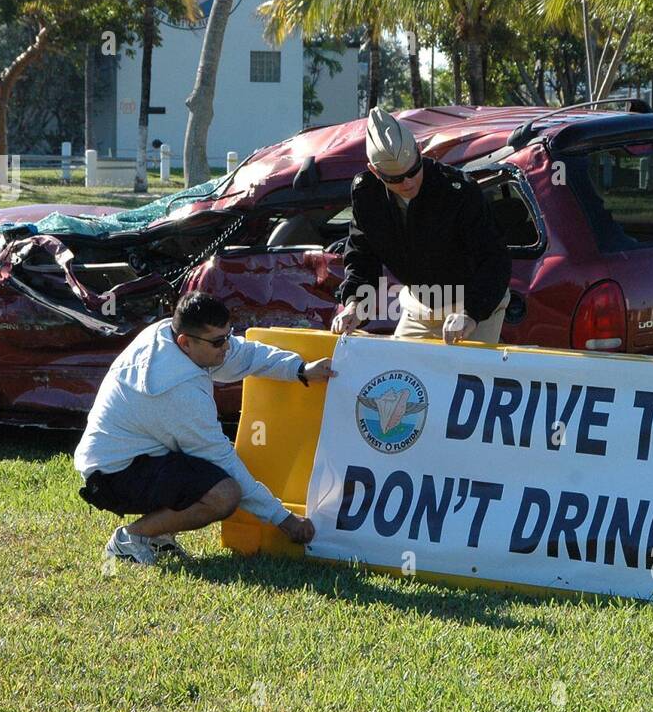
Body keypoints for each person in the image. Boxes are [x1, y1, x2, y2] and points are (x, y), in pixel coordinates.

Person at [75, 292, 335, 565]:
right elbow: (223, 461)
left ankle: (158, 537)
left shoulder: (168, 332)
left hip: (132, 457)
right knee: (224, 495)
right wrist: (284, 520)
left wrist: (299, 369)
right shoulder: (177, 391)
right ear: (185, 343)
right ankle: (131, 539)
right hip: (111, 477)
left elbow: (244, 353)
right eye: (218, 342)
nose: (226, 346)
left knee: (203, 475)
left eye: (228, 335)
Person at [330, 107, 512, 344]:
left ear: (418, 151)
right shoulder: (367, 194)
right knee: (402, 375)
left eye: (413, 171)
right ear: (374, 172)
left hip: (472, 304)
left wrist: (471, 314)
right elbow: (362, 256)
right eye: (394, 179)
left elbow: (494, 259)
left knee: (461, 375)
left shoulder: (457, 190)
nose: (407, 183)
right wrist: (354, 305)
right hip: (419, 306)